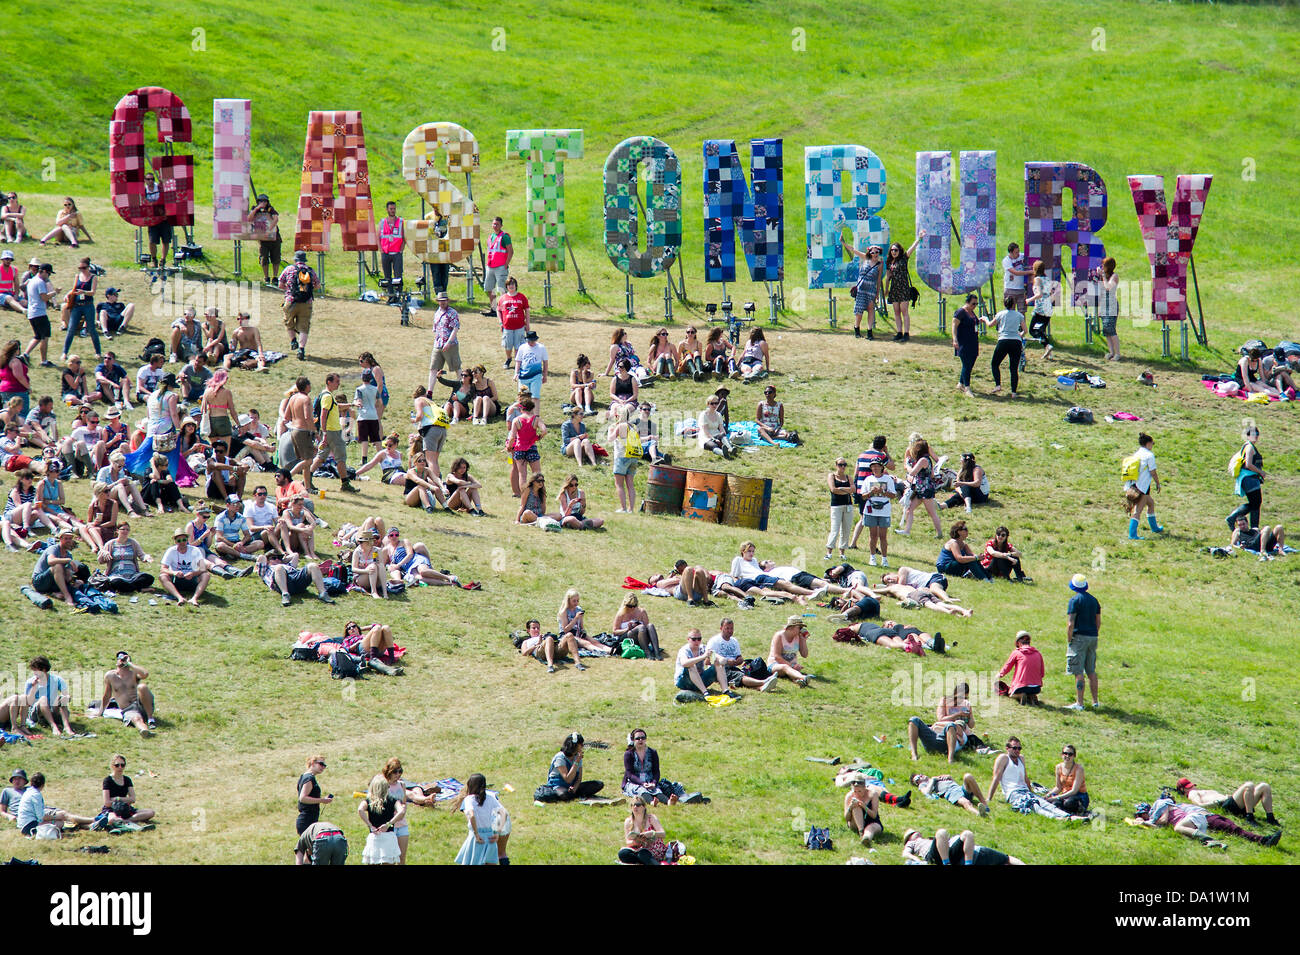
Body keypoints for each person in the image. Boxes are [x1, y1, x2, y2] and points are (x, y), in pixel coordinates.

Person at [989, 736, 1088, 820]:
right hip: (1014, 792)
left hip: (1026, 791)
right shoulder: (1003, 758)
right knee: (1034, 806)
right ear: (1007, 748)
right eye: (1014, 748)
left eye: (1019, 748)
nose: (1017, 751)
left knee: (1045, 803)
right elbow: (996, 778)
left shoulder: (1021, 758)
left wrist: (1032, 792)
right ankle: (1060, 819)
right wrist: (989, 799)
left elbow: (1026, 778)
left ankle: (1070, 817)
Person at [1133, 795, 1280, 848]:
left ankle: (1262, 840)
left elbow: (1164, 820)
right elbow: (1158, 824)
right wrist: (1144, 823)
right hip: (1201, 818)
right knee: (1235, 830)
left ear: (1146, 810)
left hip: (1201, 817)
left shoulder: (1159, 805)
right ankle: (1263, 840)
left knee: (1235, 830)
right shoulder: (1157, 815)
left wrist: (1144, 823)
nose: (1142, 816)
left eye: (1141, 814)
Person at [309, 374, 358, 493]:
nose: (339, 383)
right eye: (336, 381)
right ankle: (345, 484)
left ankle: (307, 478)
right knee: (341, 458)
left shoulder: (326, 395)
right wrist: (325, 432)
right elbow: (324, 414)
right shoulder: (328, 397)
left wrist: (351, 404)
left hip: (329, 431)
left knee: (321, 457)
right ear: (329, 382)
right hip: (333, 431)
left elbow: (335, 407)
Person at [707, 618, 778, 692]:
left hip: (733, 668)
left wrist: (739, 660)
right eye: (727, 628)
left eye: (731, 628)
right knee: (739, 676)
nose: (730, 631)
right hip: (719, 669)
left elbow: (739, 656)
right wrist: (727, 662)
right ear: (721, 628)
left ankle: (761, 687)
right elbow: (708, 661)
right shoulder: (714, 641)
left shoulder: (734, 641)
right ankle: (764, 682)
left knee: (747, 671)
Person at [1175, 777, 1279, 827]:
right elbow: (1199, 805)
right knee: (1249, 785)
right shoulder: (1192, 794)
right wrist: (1218, 801)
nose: (1192, 788)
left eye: (1191, 786)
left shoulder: (1200, 791)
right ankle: (1249, 817)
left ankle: (1270, 817)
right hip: (1225, 805)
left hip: (1231, 802)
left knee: (1264, 786)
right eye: (1188, 787)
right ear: (1183, 790)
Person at [97, 650, 156, 736]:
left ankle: (151, 719)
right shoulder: (110, 676)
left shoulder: (133, 674)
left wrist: (130, 664)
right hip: (129, 709)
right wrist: (100, 712)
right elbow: (107, 695)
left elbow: (145, 674)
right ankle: (144, 730)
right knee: (136, 719)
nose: (122, 660)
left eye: (125, 658)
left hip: (143, 706)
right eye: (120, 658)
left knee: (142, 687)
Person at [1065, 573, 1101, 710]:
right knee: (1091, 670)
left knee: (1078, 671)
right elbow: (1098, 621)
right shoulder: (1094, 600)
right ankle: (1095, 701)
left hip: (1079, 638)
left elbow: (1070, 623)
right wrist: (1094, 633)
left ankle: (1079, 703)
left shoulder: (1074, 600)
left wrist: (1070, 639)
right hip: (1093, 637)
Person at [902, 827, 1023, 865]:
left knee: (967, 834)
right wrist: (917, 859)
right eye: (912, 834)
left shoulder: (928, 838)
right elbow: (905, 853)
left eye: (915, 832)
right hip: (934, 856)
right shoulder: (911, 843)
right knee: (941, 832)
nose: (915, 833)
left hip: (949, 853)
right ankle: (946, 864)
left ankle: (968, 863)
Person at [453, 772, 504, 865]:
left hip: (477, 837)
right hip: (490, 835)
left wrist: (476, 834)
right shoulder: (491, 797)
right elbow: (503, 813)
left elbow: (472, 815)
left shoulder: (469, 799)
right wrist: (498, 833)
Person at [278, 250, 319, 360]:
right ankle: (301, 349)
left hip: (291, 301)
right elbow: (317, 285)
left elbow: (280, 284)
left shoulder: (289, 269)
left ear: (295, 259)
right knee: (304, 326)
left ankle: (293, 341)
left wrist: (290, 289)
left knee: (288, 322)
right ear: (304, 260)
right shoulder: (310, 270)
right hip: (307, 302)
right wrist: (308, 290)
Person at [899, 438, 943, 539]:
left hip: (925, 489)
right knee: (909, 509)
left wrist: (907, 464)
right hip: (921, 488)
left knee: (931, 512)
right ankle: (907, 531)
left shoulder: (923, 460)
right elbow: (932, 474)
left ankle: (939, 533)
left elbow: (912, 472)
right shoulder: (927, 460)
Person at [159, 525, 212, 607]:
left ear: (187, 540)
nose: (182, 542)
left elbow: (203, 568)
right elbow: (163, 569)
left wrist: (192, 574)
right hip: (176, 580)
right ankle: (179, 598)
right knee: (162, 576)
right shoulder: (171, 551)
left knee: (206, 575)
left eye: (184, 540)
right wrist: (174, 573)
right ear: (175, 542)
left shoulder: (195, 550)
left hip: (192, 580)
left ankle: (194, 598)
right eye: (179, 540)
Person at [1124, 432, 1164, 539]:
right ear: (1148, 443)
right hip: (1142, 487)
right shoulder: (1149, 455)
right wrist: (1158, 483)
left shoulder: (1137, 454)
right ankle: (1132, 535)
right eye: (1152, 443)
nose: (1152, 445)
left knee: (1150, 503)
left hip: (1134, 485)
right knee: (1138, 510)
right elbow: (1153, 472)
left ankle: (1155, 528)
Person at [884, 232, 924, 340]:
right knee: (896, 312)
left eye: (895, 250)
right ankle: (899, 332)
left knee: (904, 311)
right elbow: (888, 277)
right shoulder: (889, 262)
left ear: (899, 251)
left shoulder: (904, 258)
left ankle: (906, 333)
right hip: (894, 289)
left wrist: (919, 238)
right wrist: (886, 289)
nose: (894, 252)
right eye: (892, 250)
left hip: (904, 288)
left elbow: (912, 248)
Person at [542, 732, 604, 801]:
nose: (582, 746)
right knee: (564, 794)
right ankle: (572, 795)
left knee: (599, 784)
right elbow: (568, 779)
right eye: (581, 744)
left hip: (571, 786)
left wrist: (574, 788)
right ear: (574, 746)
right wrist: (576, 762)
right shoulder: (560, 757)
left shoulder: (577, 757)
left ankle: (573, 794)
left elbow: (579, 778)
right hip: (558, 786)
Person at [31, 530, 85, 607]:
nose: (68, 541)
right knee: (57, 566)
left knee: (79, 583)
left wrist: (71, 577)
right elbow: (50, 561)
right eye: (66, 538)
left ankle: (53, 593)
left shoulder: (68, 555)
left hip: (53, 582)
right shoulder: (53, 548)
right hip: (39, 582)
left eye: (70, 539)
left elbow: (67, 576)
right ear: (60, 539)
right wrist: (68, 561)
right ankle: (67, 597)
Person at [22, 657, 74, 737]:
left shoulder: (57, 680)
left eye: (36, 670)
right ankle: (54, 727)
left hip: (53, 710)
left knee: (61, 699)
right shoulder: (30, 682)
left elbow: (66, 694)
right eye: (33, 670)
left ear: (44, 670)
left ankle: (67, 727)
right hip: (37, 713)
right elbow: (27, 703)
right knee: (43, 699)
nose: (34, 673)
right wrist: (34, 688)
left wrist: (66, 698)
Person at [1226, 424, 1265, 530]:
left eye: (1257, 434)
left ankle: (1253, 527)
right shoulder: (1249, 448)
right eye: (1253, 434)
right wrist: (1260, 472)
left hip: (1248, 479)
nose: (1255, 437)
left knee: (1255, 503)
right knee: (1256, 503)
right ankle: (1251, 526)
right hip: (1249, 479)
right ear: (1248, 436)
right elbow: (1248, 464)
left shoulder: (1247, 446)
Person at [97, 521, 155, 592]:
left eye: (127, 530)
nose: (125, 531)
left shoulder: (133, 542)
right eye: (123, 529)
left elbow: (142, 555)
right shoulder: (110, 544)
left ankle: (129, 588)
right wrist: (103, 554)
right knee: (116, 582)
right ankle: (139, 589)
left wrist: (147, 557)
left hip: (133, 574)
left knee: (149, 578)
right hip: (117, 574)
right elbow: (100, 561)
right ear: (117, 531)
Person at [986, 293, 1025, 398]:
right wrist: (1020, 335)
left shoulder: (1000, 314)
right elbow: (1025, 330)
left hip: (1003, 340)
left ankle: (998, 385)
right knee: (1013, 368)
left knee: (995, 363)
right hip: (1016, 342)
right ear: (1014, 304)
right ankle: (1013, 392)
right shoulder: (1019, 315)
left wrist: (985, 319)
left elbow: (990, 324)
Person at [102, 755, 156, 825]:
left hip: (125, 808)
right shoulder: (107, 780)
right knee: (112, 819)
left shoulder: (127, 780)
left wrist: (117, 799)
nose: (120, 767)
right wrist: (124, 800)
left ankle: (126, 821)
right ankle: (124, 820)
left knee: (151, 812)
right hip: (111, 809)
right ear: (112, 766)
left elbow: (133, 799)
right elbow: (107, 803)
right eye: (117, 765)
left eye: (122, 765)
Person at [507, 397, 544, 496]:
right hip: (531, 447)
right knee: (537, 474)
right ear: (532, 408)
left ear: (521, 409)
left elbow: (512, 437)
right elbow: (544, 430)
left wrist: (509, 447)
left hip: (519, 449)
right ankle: (539, 495)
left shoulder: (516, 420)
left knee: (522, 475)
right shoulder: (536, 419)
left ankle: (524, 496)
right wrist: (539, 437)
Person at [24, 262, 58, 368]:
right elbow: (44, 297)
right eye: (48, 273)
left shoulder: (32, 281)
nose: (48, 276)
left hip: (32, 313)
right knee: (45, 337)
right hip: (39, 313)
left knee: (38, 336)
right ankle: (44, 361)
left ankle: (25, 355)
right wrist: (55, 292)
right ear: (43, 271)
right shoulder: (40, 282)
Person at [910, 772, 990, 818]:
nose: (920, 777)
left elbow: (953, 783)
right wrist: (933, 780)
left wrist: (950, 778)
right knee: (966, 802)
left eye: (920, 775)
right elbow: (927, 793)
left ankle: (985, 805)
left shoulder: (937, 777)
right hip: (951, 793)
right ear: (917, 783)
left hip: (959, 788)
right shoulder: (923, 785)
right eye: (918, 779)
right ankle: (978, 813)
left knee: (968, 776)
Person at [998, 630, 1044, 705]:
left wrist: (1000, 674)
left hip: (1022, 686)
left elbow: (1007, 666)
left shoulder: (1017, 652)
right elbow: (1042, 674)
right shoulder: (1038, 653)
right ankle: (1032, 696)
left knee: (1011, 694)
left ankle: (1020, 696)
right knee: (1030, 689)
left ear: (1018, 642)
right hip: (1036, 688)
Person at [427, 290, 461, 390]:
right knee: (433, 368)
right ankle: (430, 392)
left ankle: (461, 390)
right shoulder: (437, 313)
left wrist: (449, 342)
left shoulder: (452, 312)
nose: (443, 302)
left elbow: (455, 328)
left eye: (444, 300)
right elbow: (436, 329)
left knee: (456, 367)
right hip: (438, 344)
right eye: (441, 301)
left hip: (451, 345)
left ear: (447, 301)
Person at [620, 795, 669, 864]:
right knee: (623, 853)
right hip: (638, 848)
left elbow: (663, 834)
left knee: (642, 854)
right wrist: (637, 841)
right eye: (632, 805)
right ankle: (643, 862)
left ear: (644, 807)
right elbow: (628, 842)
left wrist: (652, 833)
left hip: (653, 848)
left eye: (638, 805)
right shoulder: (628, 821)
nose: (635, 807)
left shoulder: (651, 818)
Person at [609, 593, 660, 659]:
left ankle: (657, 652)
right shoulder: (620, 614)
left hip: (642, 636)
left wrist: (638, 624)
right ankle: (647, 653)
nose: (632, 608)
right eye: (630, 606)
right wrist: (627, 629)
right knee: (641, 627)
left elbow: (647, 628)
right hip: (627, 637)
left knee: (650, 626)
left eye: (634, 606)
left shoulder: (642, 612)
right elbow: (615, 631)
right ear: (625, 605)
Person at [848, 244, 882, 339]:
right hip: (861, 289)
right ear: (869, 253)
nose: (875, 254)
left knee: (871, 309)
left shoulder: (880, 264)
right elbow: (853, 250)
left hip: (871, 289)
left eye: (876, 252)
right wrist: (843, 242)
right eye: (873, 252)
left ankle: (869, 332)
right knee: (859, 310)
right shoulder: (865, 259)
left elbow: (879, 280)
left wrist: (878, 293)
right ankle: (856, 329)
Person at [950, 292, 981, 397]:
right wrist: (955, 340)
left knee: (969, 364)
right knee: (966, 364)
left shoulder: (971, 312)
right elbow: (954, 325)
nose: (975, 306)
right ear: (967, 302)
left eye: (976, 304)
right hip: (964, 342)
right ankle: (967, 387)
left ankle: (961, 383)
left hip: (973, 342)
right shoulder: (961, 312)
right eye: (973, 304)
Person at [675, 628, 723, 695]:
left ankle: (726, 690)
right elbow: (684, 663)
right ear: (688, 639)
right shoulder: (684, 650)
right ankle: (705, 693)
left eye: (699, 639)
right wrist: (703, 657)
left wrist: (720, 659)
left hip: (699, 679)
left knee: (717, 664)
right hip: (684, 681)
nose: (697, 641)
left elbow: (717, 657)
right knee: (691, 665)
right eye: (694, 639)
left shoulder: (703, 648)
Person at [825, 457, 856, 560]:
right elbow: (833, 489)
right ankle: (829, 552)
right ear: (836, 465)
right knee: (835, 528)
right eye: (840, 464)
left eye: (844, 465)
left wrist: (842, 489)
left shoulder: (848, 477)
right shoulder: (832, 476)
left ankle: (842, 552)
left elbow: (853, 489)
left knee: (846, 529)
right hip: (836, 505)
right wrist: (847, 490)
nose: (842, 467)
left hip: (848, 505)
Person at [482, 216, 513, 317]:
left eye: (497, 224)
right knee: (489, 288)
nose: (495, 226)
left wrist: (506, 264)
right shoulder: (490, 236)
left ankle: (504, 310)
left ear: (501, 225)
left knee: (502, 289)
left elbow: (510, 251)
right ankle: (494, 309)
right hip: (490, 266)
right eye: (494, 224)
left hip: (500, 267)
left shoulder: (505, 237)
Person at [767, 616, 812, 687]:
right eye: (799, 627)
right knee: (785, 667)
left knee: (790, 672)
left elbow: (804, 655)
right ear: (791, 627)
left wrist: (803, 640)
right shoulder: (779, 636)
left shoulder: (798, 636)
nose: (801, 630)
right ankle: (803, 678)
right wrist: (791, 666)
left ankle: (800, 681)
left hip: (792, 667)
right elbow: (777, 657)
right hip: (775, 665)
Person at [496, 275, 530, 369]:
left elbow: (527, 310)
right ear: (506, 286)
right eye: (509, 285)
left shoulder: (521, 297)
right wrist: (500, 322)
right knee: (508, 345)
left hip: (519, 326)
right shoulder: (503, 298)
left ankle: (518, 362)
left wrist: (527, 323)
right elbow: (498, 310)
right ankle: (508, 359)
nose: (511, 286)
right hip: (507, 326)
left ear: (516, 286)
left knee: (519, 345)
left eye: (513, 284)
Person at [1045, 744, 1089, 815]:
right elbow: (1058, 787)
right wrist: (1048, 795)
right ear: (1062, 754)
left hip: (1078, 796)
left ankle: (1081, 810)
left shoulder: (1079, 769)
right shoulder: (1058, 767)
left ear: (1074, 756)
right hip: (1065, 795)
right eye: (1065, 753)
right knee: (1055, 804)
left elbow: (1074, 791)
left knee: (1069, 803)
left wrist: (1057, 797)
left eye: (1070, 754)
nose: (1067, 756)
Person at [296, 755, 333, 835]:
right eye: (321, 764)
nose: (323, 767)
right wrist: (322, 800)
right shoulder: (309, 778)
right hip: (307, 819)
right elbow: (303, 798)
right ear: (313, 763)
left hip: (309, 819)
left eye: (324, 766)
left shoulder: (305, 776)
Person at [1025, 260, 1054, 359]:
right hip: (1048, 306)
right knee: (1041, 330)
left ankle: (1047, 345)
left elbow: (1039, 294)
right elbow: (1050, 293)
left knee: (1033, 330)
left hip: (1041, 307)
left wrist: (1029, 300)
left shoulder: (1037, 279)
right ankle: (1049, 352)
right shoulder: (1047, 279)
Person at [351, 527, 390, 599]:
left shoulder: (377, 550)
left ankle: (385, 593)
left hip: (376, 579)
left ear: (368, 542)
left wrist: (376, 564)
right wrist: (366, 571)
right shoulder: (357, 551)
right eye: (359, 541)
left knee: (380, 565)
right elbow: (353, 569)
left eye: (362, 542)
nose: (360, 543)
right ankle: (373, 592)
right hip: (362, 578)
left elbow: (381, 566)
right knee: (373, 566)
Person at [844, 776, 884, 845]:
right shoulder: (849, 796)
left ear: (865, 788)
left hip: (871, 821)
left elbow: (874, 815)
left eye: (859, 791)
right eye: (855, 791)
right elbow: (846, 818)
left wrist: (864, 806)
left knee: (871, 828)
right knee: (856, 807)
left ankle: (866, 838)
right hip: (855, 822)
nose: (857, 793)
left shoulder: (873, 794)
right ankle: (861, 832)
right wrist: (850, 808)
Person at [0, 339, 32, 424]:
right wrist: (28, 387)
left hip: (4, 390)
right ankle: (20, 432)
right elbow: (19, 376)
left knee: (8, 413)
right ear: (16, 350)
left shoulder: (3, 361)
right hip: (17, 390)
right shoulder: (15, 361)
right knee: (21, 414)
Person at [513, 328, 548, 402]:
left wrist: (545, 375)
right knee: (523, 397)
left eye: (532, 341)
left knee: (535, 397)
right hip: (523, 376)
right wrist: (516, 373)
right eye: (529, 341)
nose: (531, 343)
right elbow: (518, 361)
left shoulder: (541, 348)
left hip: (536, 375)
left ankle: (535, 413)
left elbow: (545, 362)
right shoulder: (522, 347)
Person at [378, 200, 405, 293]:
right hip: (385, 253)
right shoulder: (382, 222)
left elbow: (404, 237)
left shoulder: (401, 222)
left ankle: (399, 294)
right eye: (391, 209)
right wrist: (381, 250)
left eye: (394, 209)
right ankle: (390, 295)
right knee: (387, 276)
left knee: (398, 275)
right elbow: (379, 237)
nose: (393, 210)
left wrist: (401, 250)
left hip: (397, 253)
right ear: (387, 210)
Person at [698, 393, 733, 459]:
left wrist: (724, 437)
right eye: (712, 403)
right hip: (706, 437)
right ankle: (723, 453)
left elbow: (721, 428)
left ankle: (730, 448)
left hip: (716, 434)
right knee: (713, 445)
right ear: (708, 404)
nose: (714, 405)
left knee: (722, 434)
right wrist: (714, 439)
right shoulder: (703, 415)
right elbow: (706, 432)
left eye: (716, 403)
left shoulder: (718, 415)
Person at [1099, 256, 1120, 360]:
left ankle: (1117, 353)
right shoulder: (1105, 277)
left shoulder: (1114, 276)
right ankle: (1111, 352)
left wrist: (1102, 275)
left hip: (1111, 305)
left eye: (1103, 265)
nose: (1102, 267)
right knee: (1106, 330)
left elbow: (1108, 287)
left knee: (1111, 330)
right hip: (1104, 304)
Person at [1001, 242, 1031, 311]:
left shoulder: (1022, 256)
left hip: (1022, 289)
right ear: (1010, 253)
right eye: (1016, 252)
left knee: (1022, 312)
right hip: (1010, 289)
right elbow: (1015, 272)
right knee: (1010, 311)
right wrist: (1029, 272)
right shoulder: (1006, 261)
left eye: (1018, 251)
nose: (1018, 254)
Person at [0, 250, 25, 315]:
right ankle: (23, 310)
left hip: (10, 293)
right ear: (2, 259)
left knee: (24, 302)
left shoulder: (14, 269)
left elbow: (16, 284)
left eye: (10, 259)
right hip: (1, 294)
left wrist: (16, 294)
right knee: (9, 298)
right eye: (6, 259)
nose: (8, 261)